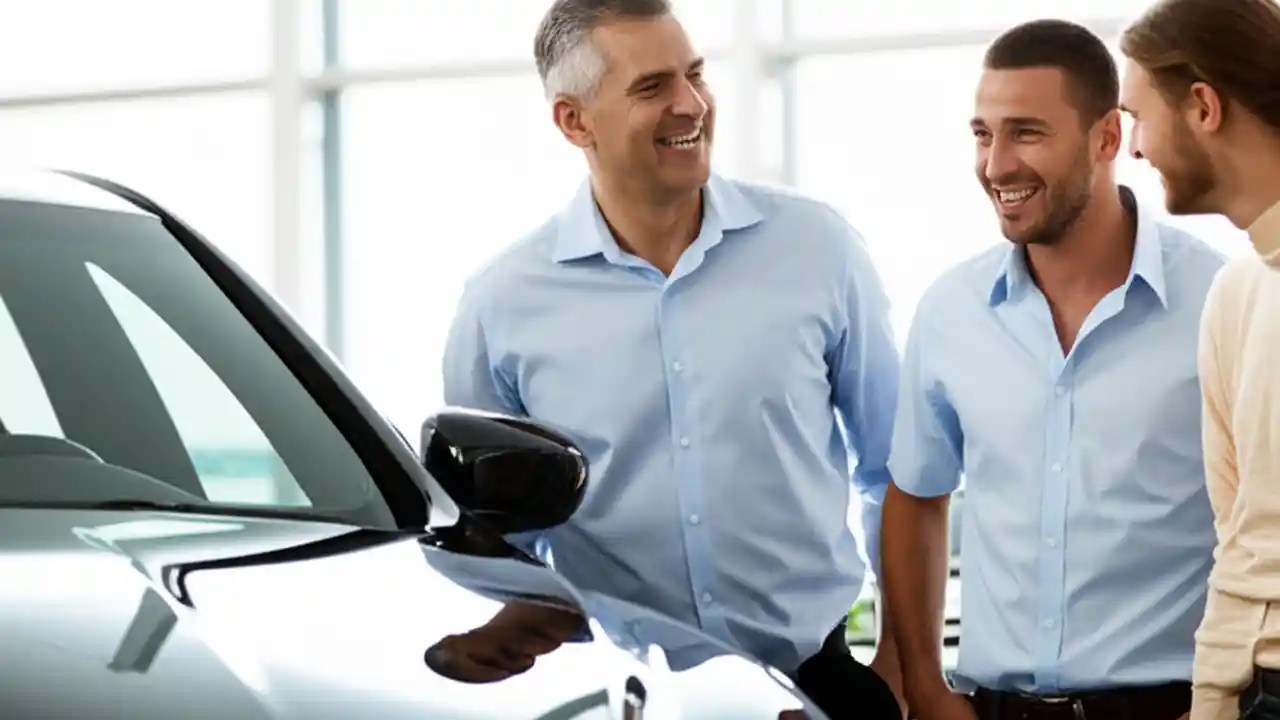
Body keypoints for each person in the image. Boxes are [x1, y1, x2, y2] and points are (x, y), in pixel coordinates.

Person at [440, 1, 904, 717]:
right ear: (574, 121)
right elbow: (491, 534)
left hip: (816, 685)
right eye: (652, 87)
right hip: (622, 698)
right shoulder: (501, 305)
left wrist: (901, 664)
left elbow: (895, 469)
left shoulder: (819, 250)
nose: (691, 105)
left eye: (694, 75)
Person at [880, 19, 1225, 720]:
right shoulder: (951, 310)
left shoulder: (1218, 303)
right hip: (996, 707)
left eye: (1026, 133)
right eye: (983, 134)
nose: (996, 165)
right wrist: (923, 683)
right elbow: (917, 495)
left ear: (1106, 138)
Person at [1119, 1, 1280, 718]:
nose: (1134, 148)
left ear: (1204, 106)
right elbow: (1241, 532)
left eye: (1138, 116)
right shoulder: (1239, 291)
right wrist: (1215, 697)